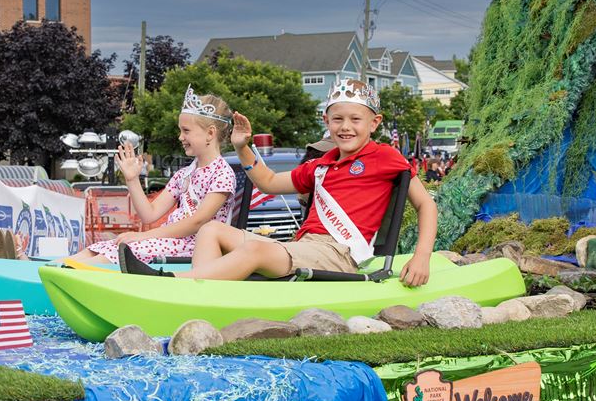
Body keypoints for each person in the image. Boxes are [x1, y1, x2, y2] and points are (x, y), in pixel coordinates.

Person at [185, 78, 436, 286]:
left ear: (375, 123)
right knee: (211, 230)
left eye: (355, 119)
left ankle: (179, 284)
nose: (345, 127)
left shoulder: (385, 156)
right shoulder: (321, 165)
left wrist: (421, 257)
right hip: (304, 247)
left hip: (339, 254)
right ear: (327, 122)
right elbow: (268, 182)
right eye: (337, 119)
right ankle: (203, 297)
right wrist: (242, 146)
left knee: (254, 252)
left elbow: (426, 205)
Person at [68, 87, 234, 268]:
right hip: (170, 243)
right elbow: (150, 213)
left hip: (195, 248)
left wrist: (143, 236)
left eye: (186, 131)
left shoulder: (222, 174)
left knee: (111, 256)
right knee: (95, 250)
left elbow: (198, 221)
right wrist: (132, 179)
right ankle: (46, 272)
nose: (180, 137)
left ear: (210, 133)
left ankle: (65, 278)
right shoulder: (184, 174)